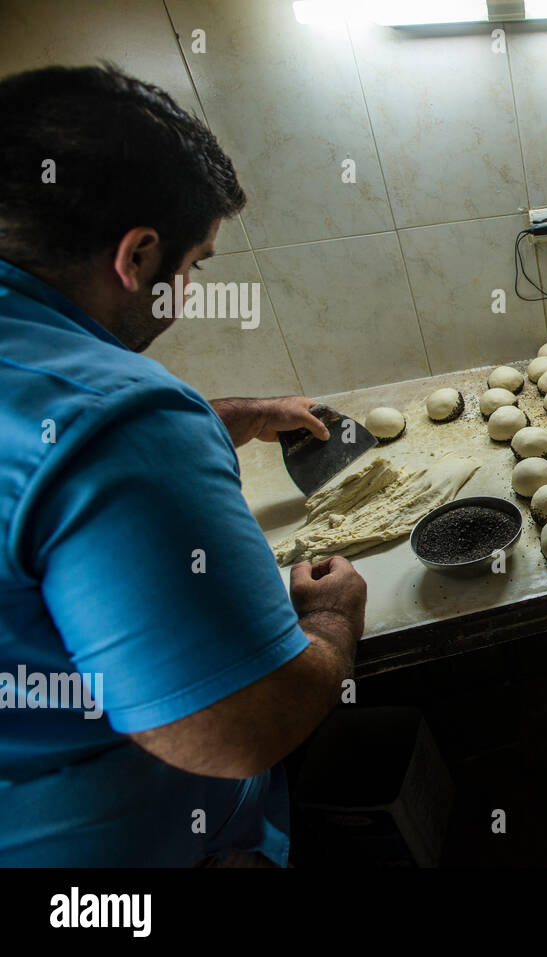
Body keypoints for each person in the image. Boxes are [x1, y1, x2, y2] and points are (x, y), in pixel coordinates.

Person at [0, 65, 368, 866]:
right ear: (137, 255)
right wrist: (333, 619)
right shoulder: (121, 416)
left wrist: (228, 417)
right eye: (195, 265)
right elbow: (243, 724)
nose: (192, 290)